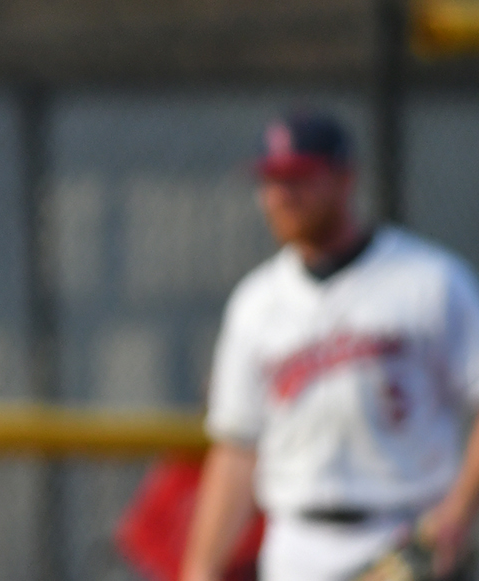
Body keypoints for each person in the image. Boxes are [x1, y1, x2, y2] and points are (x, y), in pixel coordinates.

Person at [181, 112, 479, 581]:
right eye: (271, 181)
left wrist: (458, 512)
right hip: (295, 547)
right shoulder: (255, 303)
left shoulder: (431, 280)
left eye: (299, 178)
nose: (281, 196)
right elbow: (237, 447)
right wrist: (200, 568)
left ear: (345, 179)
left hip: (404, 532)